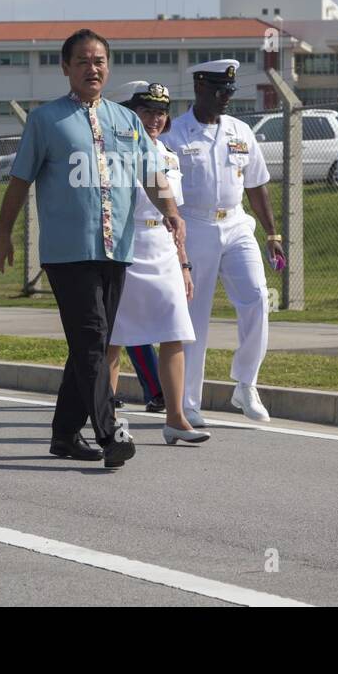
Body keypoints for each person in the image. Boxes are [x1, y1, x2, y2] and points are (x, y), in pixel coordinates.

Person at [0, 29, 185, 470]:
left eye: (99, 61)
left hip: (116, 248)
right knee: (93, 338)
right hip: (67, 251)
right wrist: (3, 234)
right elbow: (20, 179)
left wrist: (171, 212)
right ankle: (108, 429)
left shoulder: (127, 120)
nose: (92, 68)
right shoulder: (46, 121)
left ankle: (63, 434)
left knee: (89, 342)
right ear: (66, 68)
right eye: (82, 61)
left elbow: (151, 173)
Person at [167, 59, 284, 425]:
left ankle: (245, 383)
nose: (226, 99)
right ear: (200, 88)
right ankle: (188, 403)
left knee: (256, 297)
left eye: (230, 92)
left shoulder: (239, 130)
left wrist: (272, 233)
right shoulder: (175, 134)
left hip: (235, 224)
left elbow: (256, 184)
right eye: (220, 92)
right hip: (194, 226)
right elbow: (162, 190)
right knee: (194, 315)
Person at [105, 81, 209, 445]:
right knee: (113, 339)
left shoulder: (168, 154)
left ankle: (176, 418)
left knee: (174, 331)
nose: (154, 118)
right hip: (125, 245)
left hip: (163, 247)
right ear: (128, 114)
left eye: (160, 112)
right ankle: (108, 419)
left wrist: (184, 265)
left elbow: (174, 214)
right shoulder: (113, 154)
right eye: (146, 110)